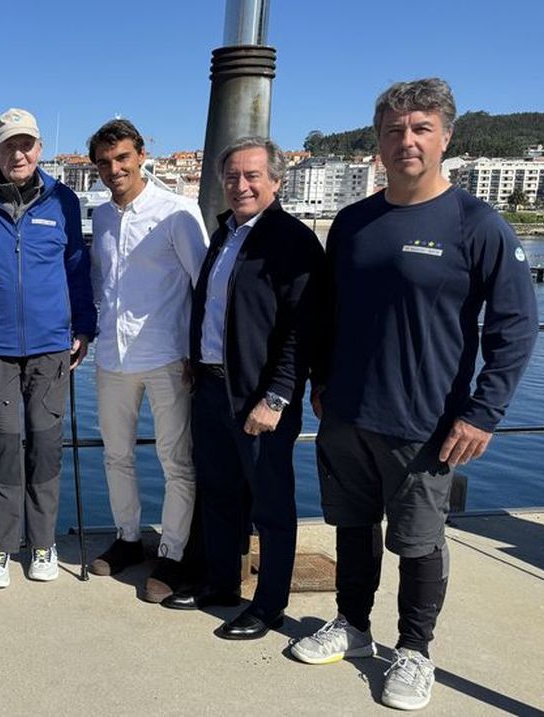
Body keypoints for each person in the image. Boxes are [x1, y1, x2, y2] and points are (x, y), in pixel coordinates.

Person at [292, 78, 538, 711]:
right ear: (377, 141)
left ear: (446, 138)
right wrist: (321, 381)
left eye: (421, 128)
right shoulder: (352, 223)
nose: (407, 140)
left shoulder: (476, 224)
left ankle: (415, 650)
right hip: (347, 413)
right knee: (350, 528)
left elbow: (516, 326)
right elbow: (327, 313)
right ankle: (352, 627)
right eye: (395, 129)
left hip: (427, 422)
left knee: (421, 542)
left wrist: (483, 413)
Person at [161, 137, 322, 643]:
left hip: (259, 398)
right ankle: (221, 583)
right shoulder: (224, 233)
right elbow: (209, 304)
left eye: (252, 176)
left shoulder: (292, 241)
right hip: (210, 387)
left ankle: (270, 605)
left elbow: (303, 328)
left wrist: (277, 397)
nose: (241, 185)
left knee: (271, 505)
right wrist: (194, 355)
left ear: (276, 180)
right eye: (232, 176)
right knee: (219, 493)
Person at [0, 107, 97, 588]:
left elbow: (77, 269)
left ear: (40, 149)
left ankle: (44, 543)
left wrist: (85, 327)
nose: (19, 152)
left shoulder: (63, 201)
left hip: (52, 347)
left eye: (26, 144)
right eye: (9, 144)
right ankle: (0, 547)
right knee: (5, 443)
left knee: (46, 444)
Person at [86, 118, 207, 602]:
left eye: (122, 158)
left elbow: (204, 286)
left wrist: (196, 354)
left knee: (175, 460)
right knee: (115, 455)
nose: (114, 169)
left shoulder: (178, 212)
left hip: (166, 356)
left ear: (141, 155)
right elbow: (101, 285)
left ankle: (174, 554)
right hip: (111, 356)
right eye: (104, 162)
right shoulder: (99, 217)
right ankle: (128, 538)